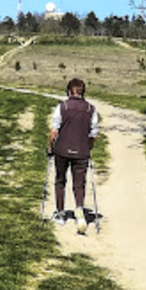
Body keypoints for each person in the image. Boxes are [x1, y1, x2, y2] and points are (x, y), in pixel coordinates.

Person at [48, 78, 98, 234]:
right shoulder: (91, 109)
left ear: (69, 91)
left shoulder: (62, 106)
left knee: (60, 180)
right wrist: (88, 147)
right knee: (79, 183)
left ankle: (60, 213)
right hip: (82, 151)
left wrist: (50, 147)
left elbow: (54, 130)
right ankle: (79, 210)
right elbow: (93, 133)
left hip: (62, 150)